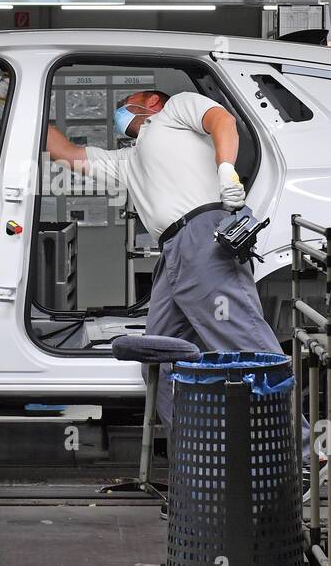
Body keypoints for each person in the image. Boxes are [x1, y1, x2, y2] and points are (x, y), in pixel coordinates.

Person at [45, 88, 307, 442]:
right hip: (172, 251)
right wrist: (26, 103)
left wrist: (226, 169)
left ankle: (302, 453)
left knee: (244, 343)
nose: (118, 112)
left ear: (152, 101)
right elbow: (66, 153)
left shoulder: (175, 110)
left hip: (204, 237)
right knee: (160, 358)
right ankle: (196, 456)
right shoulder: (128, 160)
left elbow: (221, 120)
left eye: (125, 103)